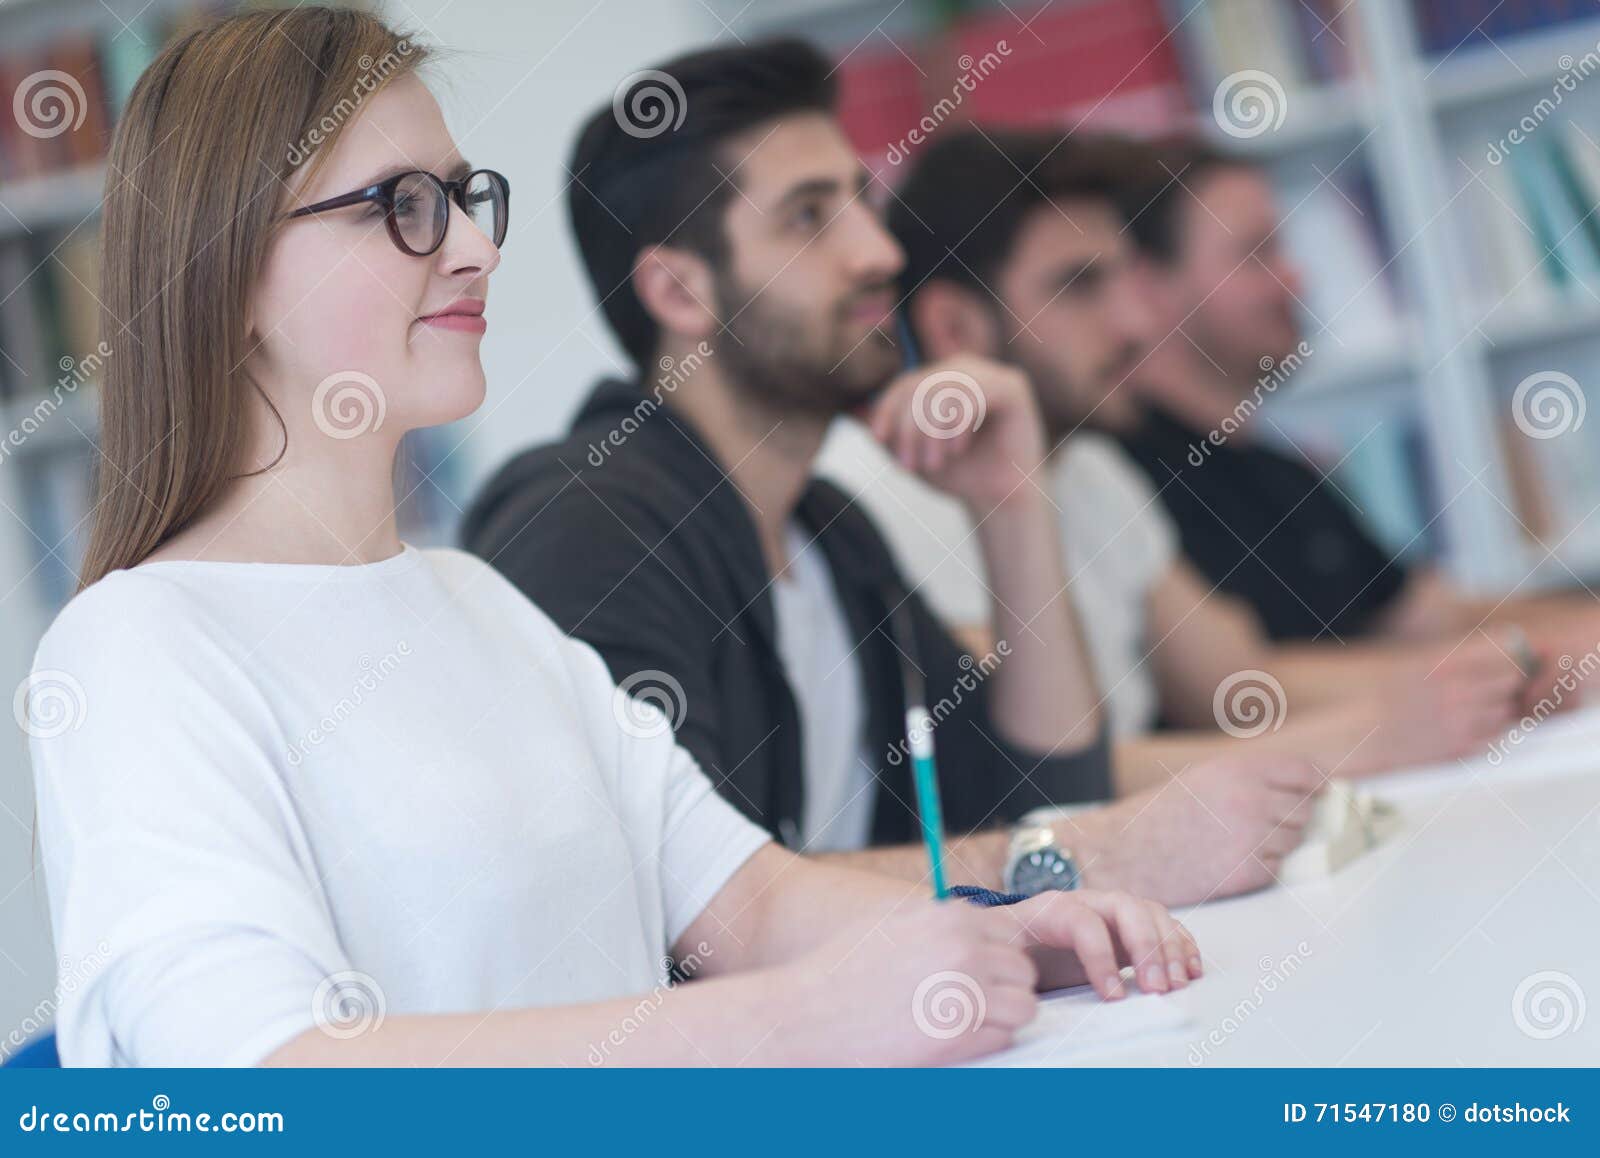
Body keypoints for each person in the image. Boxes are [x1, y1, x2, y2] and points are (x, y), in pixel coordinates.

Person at [25, 8, 1198, 1069]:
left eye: (462, 197)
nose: (477, 249)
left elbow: (750, 901)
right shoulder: (138, 649)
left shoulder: (481, 606)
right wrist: (794, 1020)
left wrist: (1002, 929)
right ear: (224, 271)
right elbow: (264, 1078)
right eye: (402, 207)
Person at [462, 37, 1323, 906]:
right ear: (681, 294)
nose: (879, 253)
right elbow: (682, 901)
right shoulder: (587, 523)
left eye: (861, 204)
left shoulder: (829, 533)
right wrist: (1083, 853)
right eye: (809, 217)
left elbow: (1037, 797)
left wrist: (1010, 503)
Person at [824, 127, 1527, 792]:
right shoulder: (876, 496)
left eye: (1120, 281)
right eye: (1077, 286)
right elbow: (1033, 777)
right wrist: (1370, 737)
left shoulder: (1093, 469)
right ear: (954, 326)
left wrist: (1481, 679)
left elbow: (1233, 681)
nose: (1133, 325)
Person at [1109, 137, 1600, 660]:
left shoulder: (1282, 471)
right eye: (1256, 254)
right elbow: (1250, 679)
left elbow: (1421, 614)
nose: (1295, 277)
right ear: (1150, 287)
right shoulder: (1128, 485)